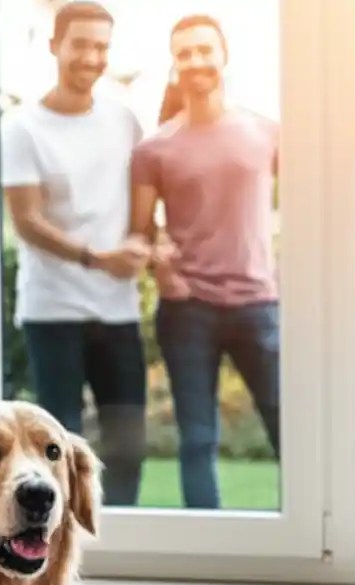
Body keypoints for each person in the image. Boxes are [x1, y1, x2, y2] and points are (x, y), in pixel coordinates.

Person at [128, 14, 281, 509]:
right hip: (187, 309)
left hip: (259, 304)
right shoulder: (155, 148)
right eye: (184, 53)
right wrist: (160, 262)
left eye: (203, 50)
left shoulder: (266, 133)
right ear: (174, 64)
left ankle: (306, 547)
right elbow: (139, 230)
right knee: (197, 439)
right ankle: (209, 543)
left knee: (290, 427)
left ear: (224, 56)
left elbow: (311, 201)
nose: (195, 61)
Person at [0, 1, 150, 506]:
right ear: (55, 47)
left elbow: (143, 203)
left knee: (127, 443)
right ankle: (57, 550)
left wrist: (146, 243)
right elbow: (27, 220)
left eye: (101, 46)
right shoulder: (24, 128)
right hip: (53, 308)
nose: (91, 56)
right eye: (80, 44)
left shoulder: (125, 120)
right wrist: (96, 258)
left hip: (117, 307)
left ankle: (121, 538)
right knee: (55, 445)